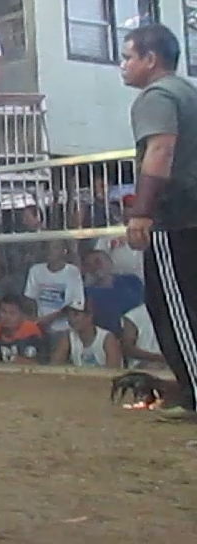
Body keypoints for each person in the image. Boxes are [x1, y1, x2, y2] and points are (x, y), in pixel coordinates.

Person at [121, 23, 197, 421]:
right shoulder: (189, 91)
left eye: (128, 56)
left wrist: (143, 210)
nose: (123, 65)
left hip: (176, 215)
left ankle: (194, 394)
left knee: (173, 307)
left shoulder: (157, 95)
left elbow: (160, 149)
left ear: (151, 60)